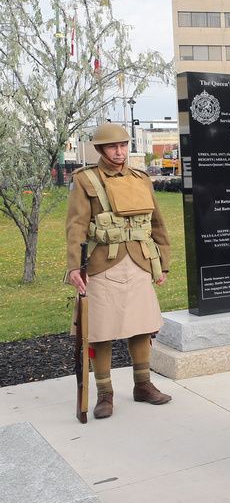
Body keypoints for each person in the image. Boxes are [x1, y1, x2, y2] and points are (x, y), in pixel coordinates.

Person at [65, 122, 173, 419]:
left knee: (141, 326)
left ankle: (143, 385)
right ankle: (105, 394)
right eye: (113, 146)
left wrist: (162, 262)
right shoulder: (85, 180)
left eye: (124, 145)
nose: (119, 151)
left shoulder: (141, 178)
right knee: (101, 331)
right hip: (102, 264)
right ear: (100, 149)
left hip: (139, 260)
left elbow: (157, 224)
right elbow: (75, 226)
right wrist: (75, 266)